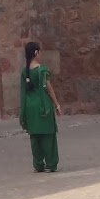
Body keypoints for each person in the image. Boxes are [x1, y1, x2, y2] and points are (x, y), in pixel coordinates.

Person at [19, 41, 63, 172]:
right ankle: (51, 163)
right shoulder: (41, 70)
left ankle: (38, 164)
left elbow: (23, 92)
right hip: (42, 105)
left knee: (35, 136)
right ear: (36, 53)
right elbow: (48, 88)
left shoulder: (24, 71)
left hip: (30, 106)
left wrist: (23, 112)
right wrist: (57, 104)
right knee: (48, 135)